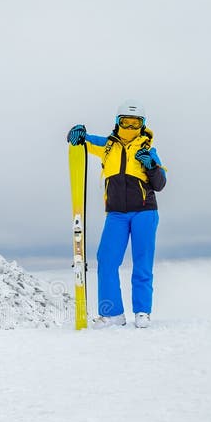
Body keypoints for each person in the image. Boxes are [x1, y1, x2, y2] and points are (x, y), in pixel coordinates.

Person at [67, 100, 166, 329]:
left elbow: (160, 184)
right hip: (116, 215)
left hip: (145, 213)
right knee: (106, 260)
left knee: (142, 262)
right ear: (117, 122)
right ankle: (113, 314)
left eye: (135, 123)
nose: (130, 127)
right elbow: (82, 141)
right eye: (126, 122)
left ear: (142, 125)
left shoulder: (149, 150)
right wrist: (75, 132)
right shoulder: (108, 146)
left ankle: (142, 312)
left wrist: (151, 166)